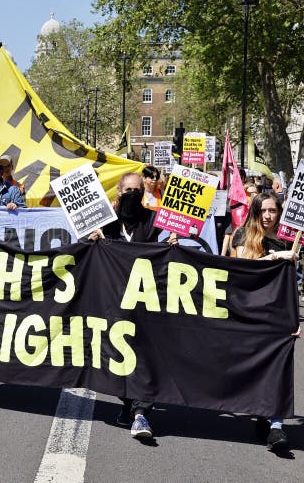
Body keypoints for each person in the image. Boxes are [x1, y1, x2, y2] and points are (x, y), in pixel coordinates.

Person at [87, 171, 176, 439]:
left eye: (138, 191)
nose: (133, 195)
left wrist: (171, 245)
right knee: (116, 360)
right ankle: (127, 405)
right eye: (129, 191)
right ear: (118, 192)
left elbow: (164, 256)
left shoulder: (153, 221)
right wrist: (90, 241)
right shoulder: (106, 224)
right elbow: (82, 256)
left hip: (145, 304)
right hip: (112, 305)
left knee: (145, 358)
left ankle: (141, 414)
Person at [230, 193, 299, 452]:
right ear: (255, 212)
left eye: (273, 210)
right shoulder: (242, 235)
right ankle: (261, 414)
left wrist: (293, 319)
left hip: (276, 313)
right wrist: (273, 258)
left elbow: (289, 285)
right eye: (264, 211)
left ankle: (276, 426)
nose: (268, 216)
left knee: (278, 366)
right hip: (248, 311)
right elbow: (239, 272)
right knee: (255, 368)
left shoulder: (287, 240)